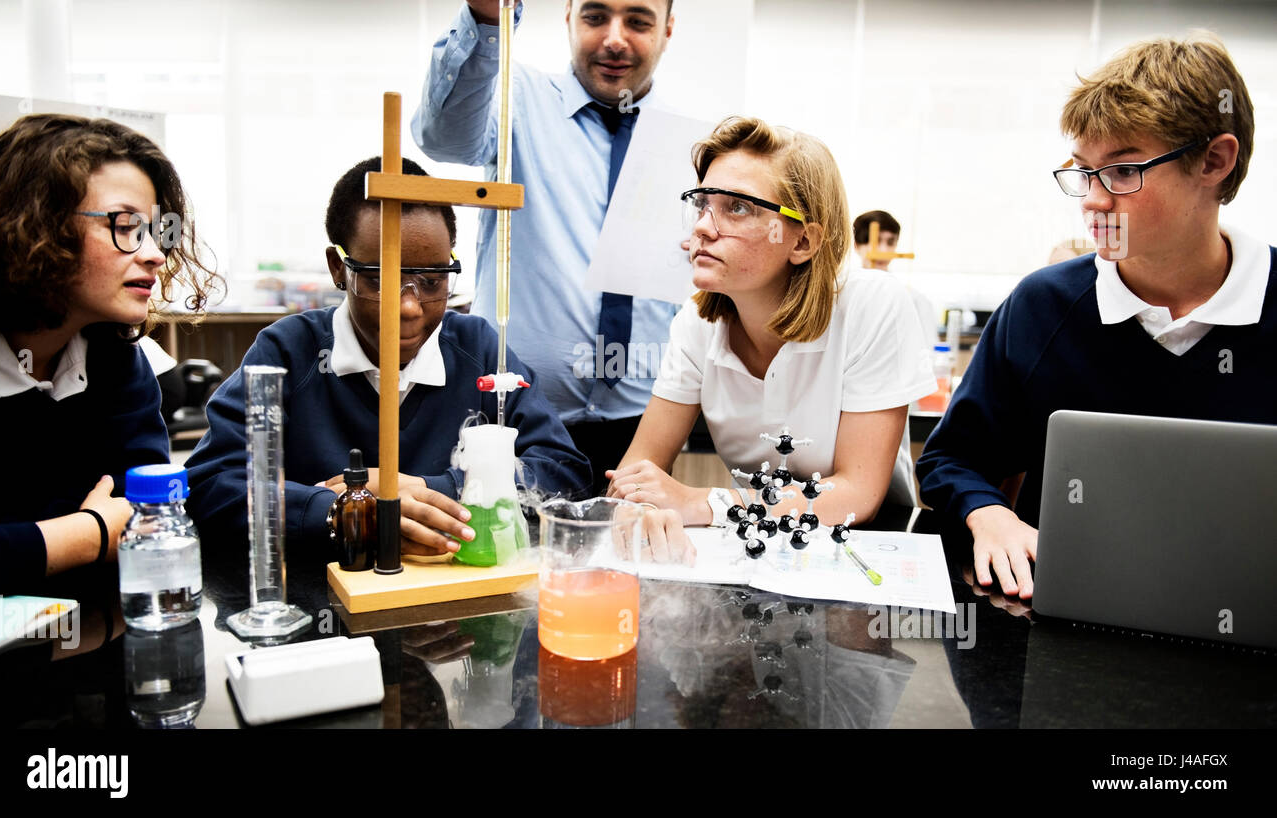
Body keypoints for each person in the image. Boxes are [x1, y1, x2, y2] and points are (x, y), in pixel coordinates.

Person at [916, 33, 1272, 600]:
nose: (1092, 200)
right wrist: (989, 513)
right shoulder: (1042, 305)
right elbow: (952, 457)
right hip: (1061, 619)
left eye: (1124, 171)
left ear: (1214, 161)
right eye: (1084, 170)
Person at [185, 158, 591, 557]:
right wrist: (346, 512)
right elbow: (211, 484)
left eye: (433, 280)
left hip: (448, 602)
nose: (410, 307)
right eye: (381, 279)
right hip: (327, 607)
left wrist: (426, 490)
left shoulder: (480, 349)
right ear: (338, 268)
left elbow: (563, 469)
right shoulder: (288, 352)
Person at [606, 117, 935, 530]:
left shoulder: (872, 305)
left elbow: (856, 494)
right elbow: (638, 467)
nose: (703, 227)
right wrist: (637, 506)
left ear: (802, 242)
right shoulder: (696, 322)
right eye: (702, 204)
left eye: (737, 207)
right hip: (749, 546)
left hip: (864, 545)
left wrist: (701, 503)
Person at [412, 0, 679, 495]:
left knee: (634, 569)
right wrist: (488, 20)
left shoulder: (690, 144)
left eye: (638, 21)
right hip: (518, 421)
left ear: (668, 29)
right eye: (595, 17)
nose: (615, 38)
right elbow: (443, 138)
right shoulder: (516, 99)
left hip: (642, 432)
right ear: (569, 20)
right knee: (508, 565)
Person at [0, 113, 217, 599]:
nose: (155, 254)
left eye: (158, 230)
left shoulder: (116, 359)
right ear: (31, 223)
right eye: (127, 225)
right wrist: (90, 534)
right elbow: (116, 526)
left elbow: (146, 515)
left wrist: (19, 545)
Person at [852, 209, 938, 349]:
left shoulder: (915, 300)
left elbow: (929, 351)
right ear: (856, 245)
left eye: (890, 242)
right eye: (876, 241)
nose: (883, 250)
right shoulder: (842, 296)